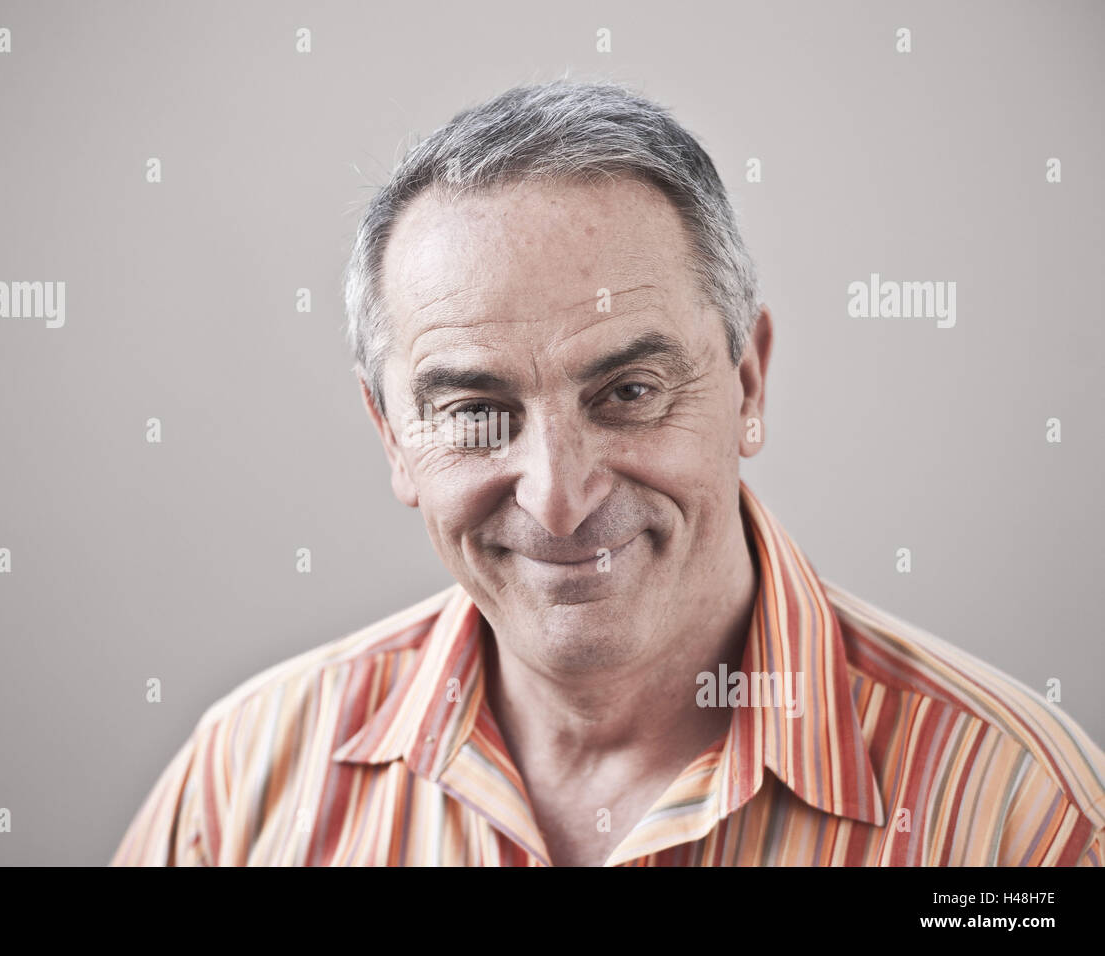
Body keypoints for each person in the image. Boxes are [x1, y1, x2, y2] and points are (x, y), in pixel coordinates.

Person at [112, 78, 1105, 866]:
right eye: (475, 412)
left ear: (746, 378)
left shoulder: (1024, 817)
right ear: (390, 435)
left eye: (626, 392)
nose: (556, 493)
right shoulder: (243, 782)